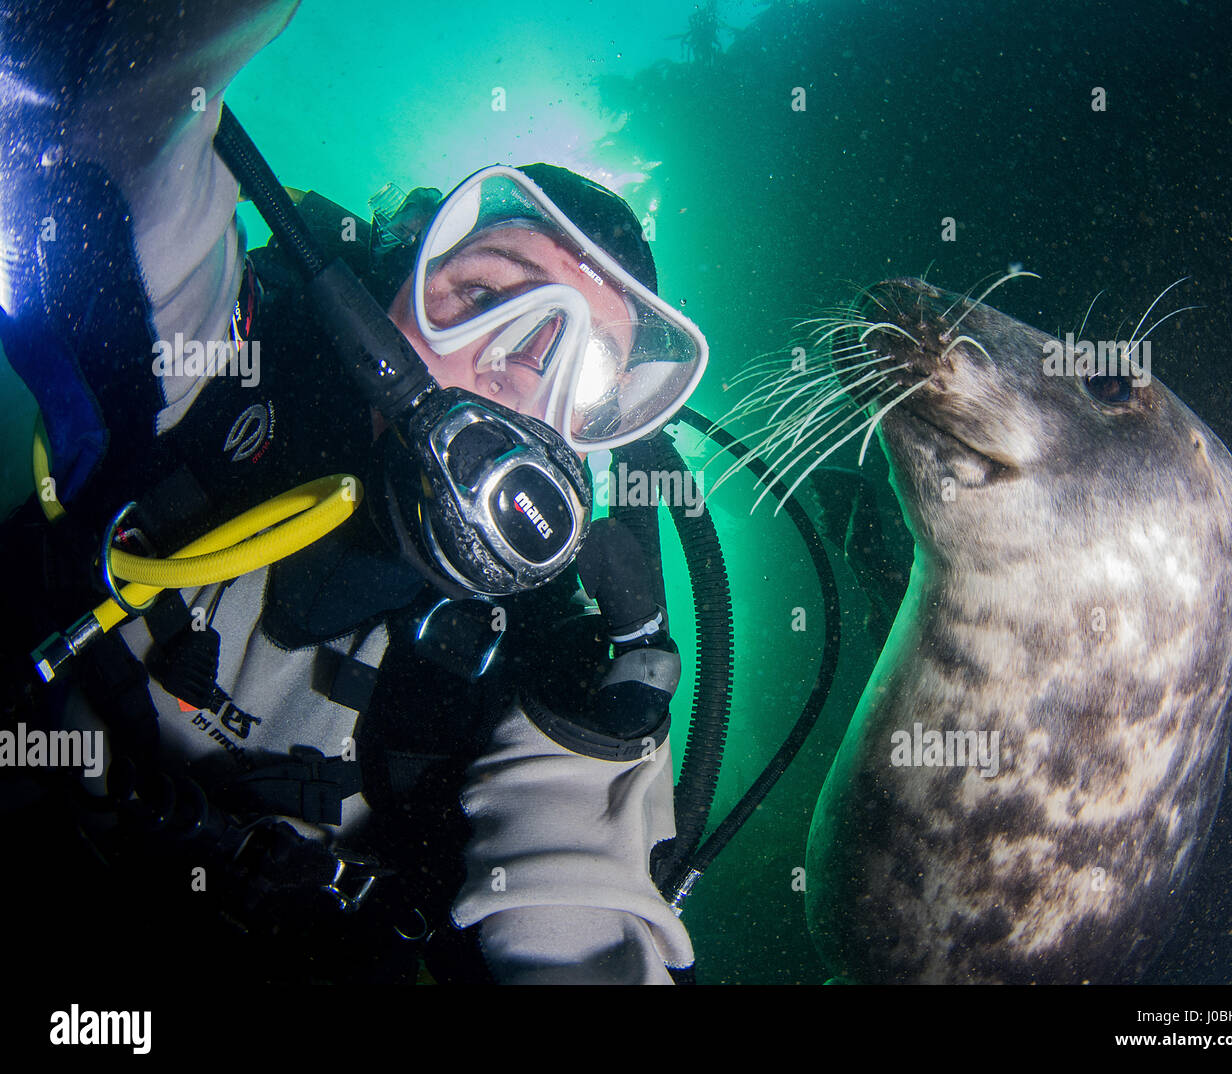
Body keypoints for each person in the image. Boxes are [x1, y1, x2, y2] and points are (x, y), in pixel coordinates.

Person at [0, 1, 706, 985]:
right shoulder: (221, 365)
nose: (517, 375)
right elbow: (121, 116)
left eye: (586, 376)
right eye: (487, 295)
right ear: (383, 292)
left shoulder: (556, 648)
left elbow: (575, 922)